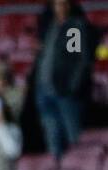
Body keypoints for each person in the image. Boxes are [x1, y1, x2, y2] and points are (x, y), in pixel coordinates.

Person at [33, 0, 94, 159]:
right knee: (52, 136)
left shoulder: (73, 27)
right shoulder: (49, 26)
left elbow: (79, 60)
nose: (61, 8)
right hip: (44, 90)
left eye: (64, 3)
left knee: (73, 137)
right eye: (57, 4)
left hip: (65, 92)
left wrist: (72, 87)